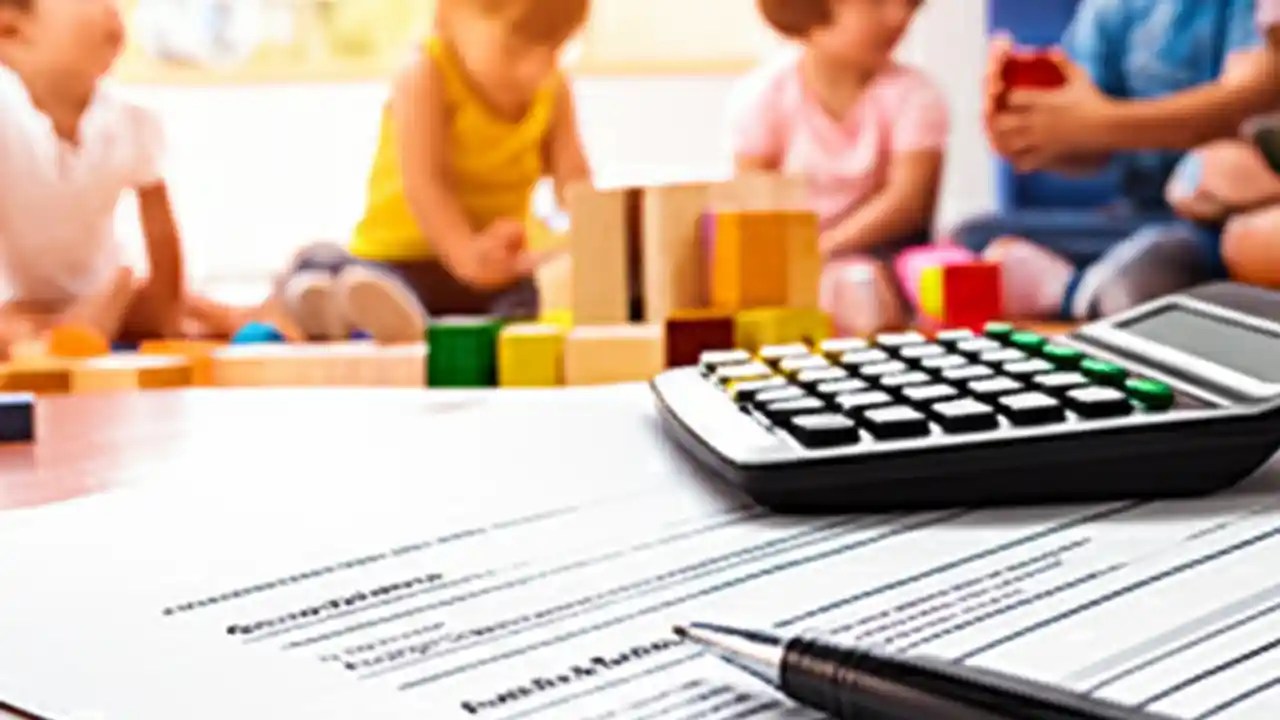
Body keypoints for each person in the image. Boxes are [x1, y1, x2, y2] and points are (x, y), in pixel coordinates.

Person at [278, 0, 593, 341]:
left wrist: (586, 236)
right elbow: (427, 184)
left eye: (556, 50)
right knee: (323, 264)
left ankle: (388, 324)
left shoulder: (553, 90)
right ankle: (351, 313)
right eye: (514, 49)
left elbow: (573, 178)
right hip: (398, 262)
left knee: (529, 296)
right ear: (451, 13)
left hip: (488, 273)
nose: (535, 69)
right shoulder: (426, 75)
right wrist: (466, 256)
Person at [0, 0, 292, 355]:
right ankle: (62, 333)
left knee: (165, 302)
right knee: (14, 324)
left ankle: (265, 316)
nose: (112, 10)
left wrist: (165, 314)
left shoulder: (132, 121)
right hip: (24, 303)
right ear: (11, 31)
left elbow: (161, 237)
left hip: (110, 291)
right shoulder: (7, 118)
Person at [961, 0, 1271, 320]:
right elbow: (1086, 148)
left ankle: (1078, 290)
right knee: (972, 237)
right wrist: (1028, 127)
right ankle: (1106, 287)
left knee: (1206, 244)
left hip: (1227, 215)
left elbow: (1251, 102)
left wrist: (1100, 125)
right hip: (1139, 216)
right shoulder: (1113, 8)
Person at [727, 0, 948, 329]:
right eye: (876, 3)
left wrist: (824, 248)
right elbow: (752, 198)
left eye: (907, 3)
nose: (900, 16)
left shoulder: (914, 94)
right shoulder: (765, 96)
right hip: (796, 258)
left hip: (882, 255)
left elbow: (909, 203)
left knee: (881, 280)